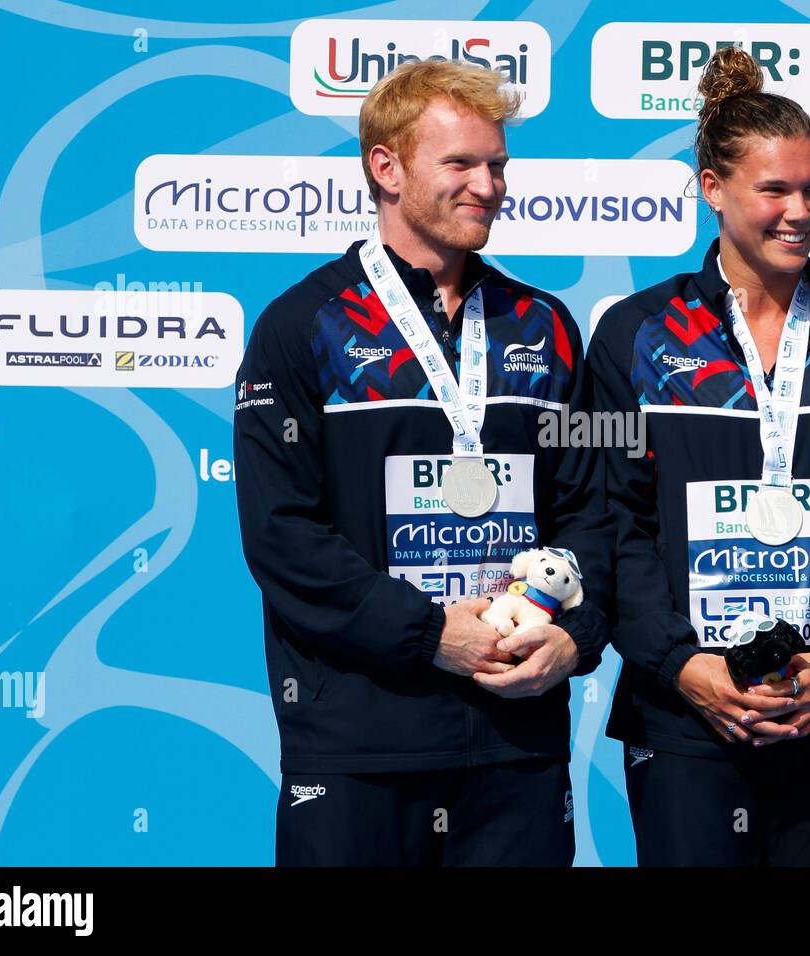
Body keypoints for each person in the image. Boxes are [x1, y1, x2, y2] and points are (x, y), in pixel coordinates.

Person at [233, 59, 612, 866]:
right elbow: (281, 536)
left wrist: (574, 637)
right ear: (386, 168)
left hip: (518, 745)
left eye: (498, 165)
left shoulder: (543, 326)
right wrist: (432, 633)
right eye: (462, 164)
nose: (489, 185)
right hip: (360, 749)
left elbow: (590, 515)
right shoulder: (302, 325)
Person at [588, 47, 810, 866]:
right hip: (684, 714)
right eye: (775, 189)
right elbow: (613, 521)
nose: (801, 210)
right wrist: (681, 665)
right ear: (712, 189)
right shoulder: (637, 335)